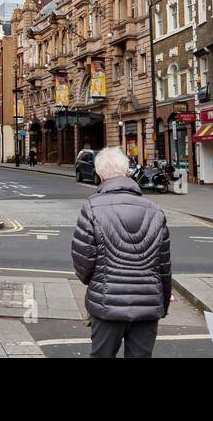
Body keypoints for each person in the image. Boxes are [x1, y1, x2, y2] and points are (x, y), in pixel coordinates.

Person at [71, 146, 171, 358]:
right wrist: (162, 303)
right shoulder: (155, 210)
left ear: (99, 175)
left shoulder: (91, 207)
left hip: (107, 304)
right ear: (127, 173)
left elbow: (83, 261)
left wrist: (95, 281)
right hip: (147, 305)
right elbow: (164, 265)